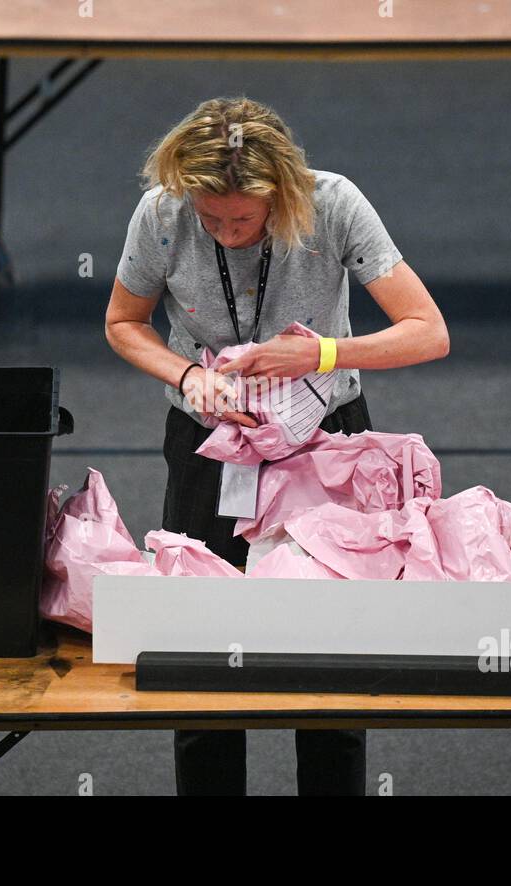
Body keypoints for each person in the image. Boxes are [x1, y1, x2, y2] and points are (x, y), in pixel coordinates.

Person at [105, 97, 450, 796]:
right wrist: (187, 373)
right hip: (208, 446)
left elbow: (428, 330)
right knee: (200, 655)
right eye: (210, 219)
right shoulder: (162, 215)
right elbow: (122, 322)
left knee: (332, 658)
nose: (225, 233)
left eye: (241, 219)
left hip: (327, 444)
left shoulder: (336, 206)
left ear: (281, 195)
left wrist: (322, 353)